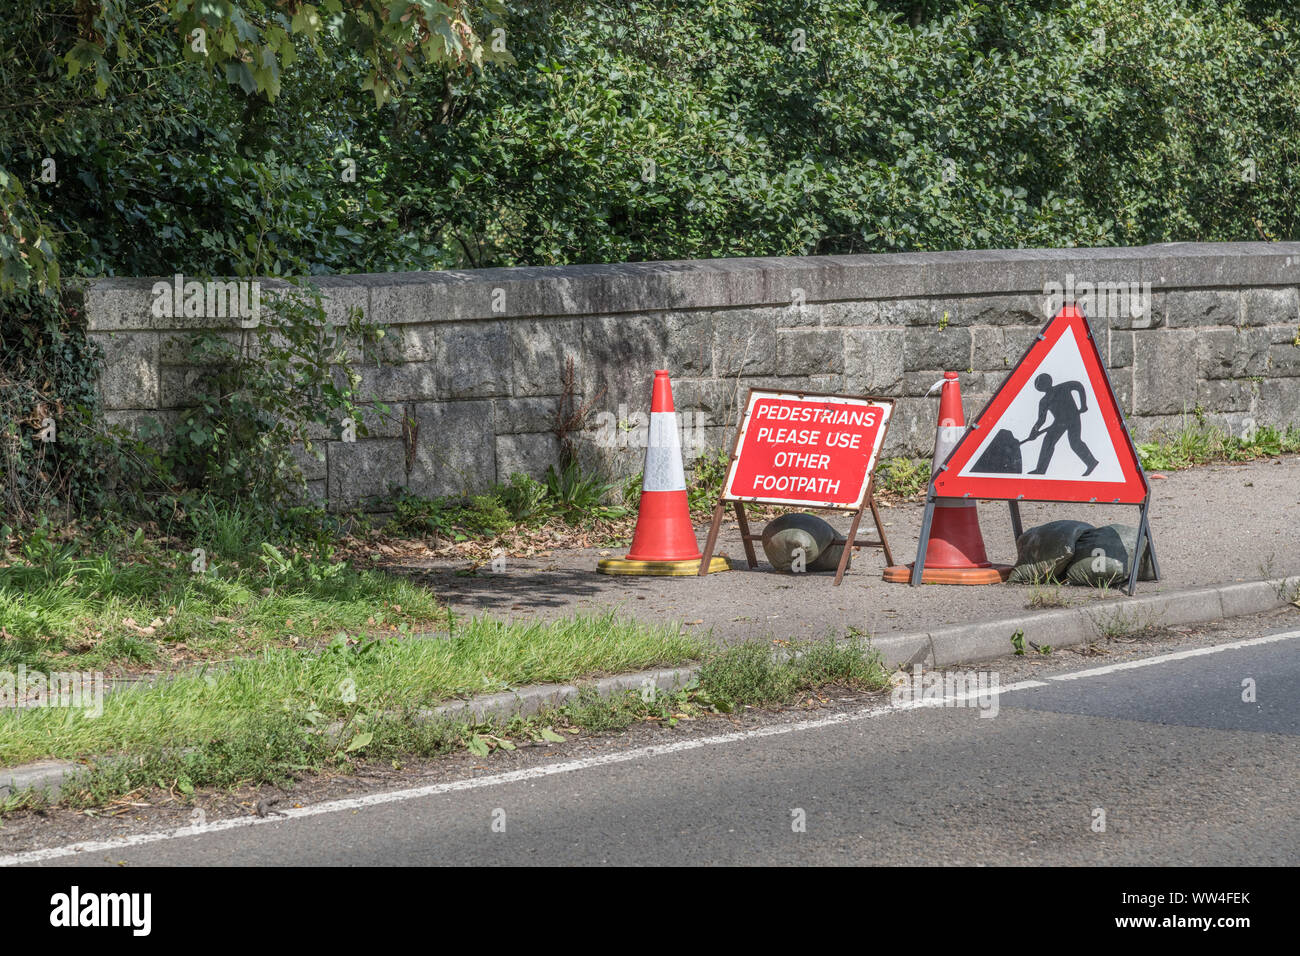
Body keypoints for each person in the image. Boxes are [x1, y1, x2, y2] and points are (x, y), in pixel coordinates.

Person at [1026, 373, 1099, 476]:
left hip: (1073, 417)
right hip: (1059, 422)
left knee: (1075, 442)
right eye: (1039, 385)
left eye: (1042, 383)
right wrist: (1033, 432)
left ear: (1049, 381)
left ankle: (1091, 462)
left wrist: (1083, 405)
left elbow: (1078, 385)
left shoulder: (1062, 387)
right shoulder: (1044, 401)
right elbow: (1041, 420)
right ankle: (1040, 470)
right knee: (1048, 440)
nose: (1041, 386)